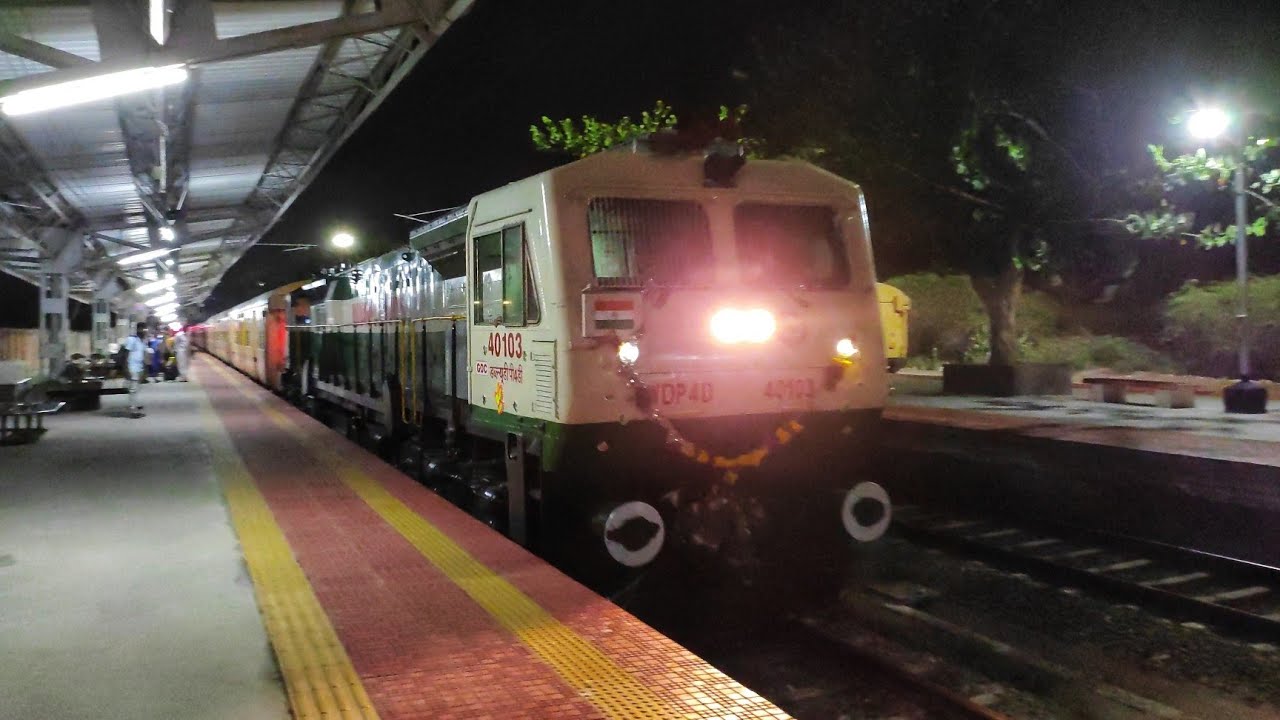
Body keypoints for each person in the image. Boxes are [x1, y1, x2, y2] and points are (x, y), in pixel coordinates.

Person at [123, 322, 149, 417]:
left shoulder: (141, 341)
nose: (144, 331)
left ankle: (134, 406)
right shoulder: (131, 339)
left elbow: (142, 356)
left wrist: (144, 369)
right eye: (142, 329)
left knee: (136, 388)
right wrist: (126, 369)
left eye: (145, 330)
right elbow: (125, 354)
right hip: (131, 367)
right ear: (138, 329)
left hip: (138, 368)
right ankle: (132, 410)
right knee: (133, 389)